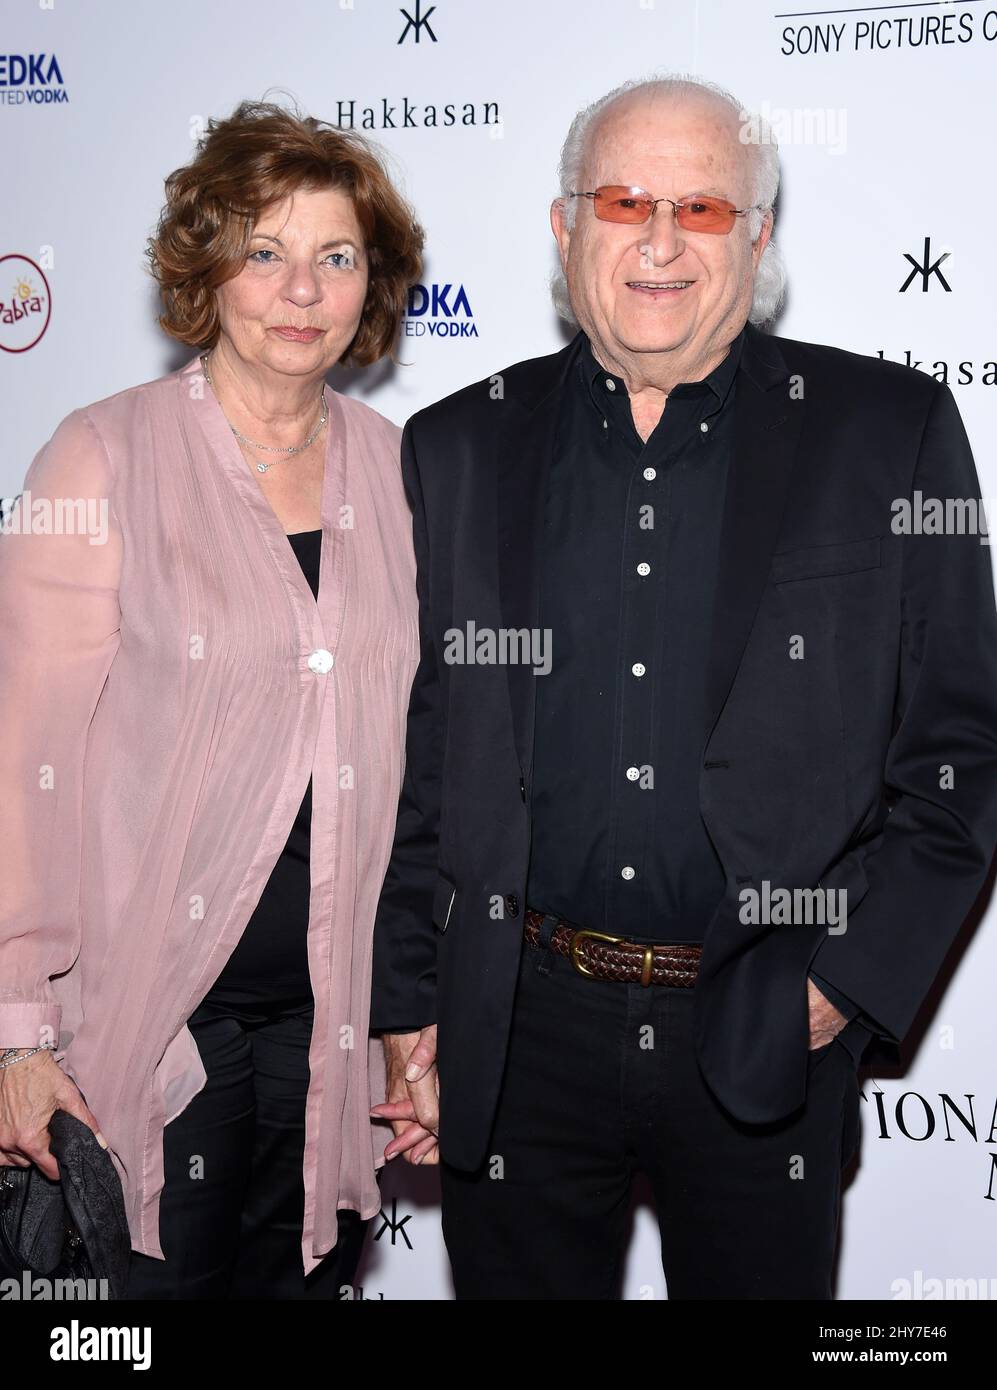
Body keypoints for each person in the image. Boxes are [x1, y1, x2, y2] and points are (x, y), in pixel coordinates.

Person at [369, 74, 997, 1298]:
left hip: (762, 1025)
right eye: (624, 201)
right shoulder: (457, 444)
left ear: (756, 240)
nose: (659, 239)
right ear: (565, 228)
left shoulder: (889, 431)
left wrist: (835, 991)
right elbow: (420, 756)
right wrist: (409, 999)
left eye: (702, 207)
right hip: (518, 1032)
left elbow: (959, 751)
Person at [0, 98, 423, 1298]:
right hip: (146, 1025)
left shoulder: (403, 471)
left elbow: (428, 766)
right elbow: (21, 759)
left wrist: (419, 1007)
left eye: (335, 257)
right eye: (264, 250)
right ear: (206, 267)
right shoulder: (102, 457)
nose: (301, 290)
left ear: (371, 282)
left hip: (330, 1031)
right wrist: (15, 1028)